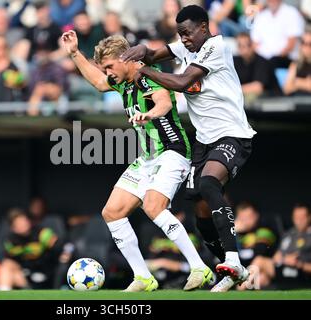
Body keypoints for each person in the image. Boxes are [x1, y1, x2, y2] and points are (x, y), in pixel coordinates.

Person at [61, 30, 213, 292]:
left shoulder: (147, 75)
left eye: (110, 65)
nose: (107, 72)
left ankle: (200, 268)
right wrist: (75, 53)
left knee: (154, 207)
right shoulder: (122, 81)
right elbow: (98, 82)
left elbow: (164, 102)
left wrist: (150, 114)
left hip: (172, 151)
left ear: (125, 59)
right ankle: (143, 277)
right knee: (112, 212)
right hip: (147, 158)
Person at [121, 5, 256, 292]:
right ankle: (232, 271)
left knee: (209, 182)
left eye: (188, 33)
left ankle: (234, 259)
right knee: (201, 213)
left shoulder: (215, 48)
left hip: (232, 134)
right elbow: (157, 53)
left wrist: (142, 68)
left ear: (204, 28)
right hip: (204, 141)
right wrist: (143, 49)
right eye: (180, 34)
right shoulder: (188, 49)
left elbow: (182, 82)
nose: (183, 39)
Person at [0, 208, 61, 290]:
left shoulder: (42, 233)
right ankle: (3, 295)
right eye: (19, 223)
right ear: (14, 228)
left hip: (45, 274)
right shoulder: (11, 241)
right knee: (5, 267)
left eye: (24, 220)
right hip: (25, 276)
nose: (23, 224)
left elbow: (59, 250)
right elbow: (10, 262)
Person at [252, 203, 311, 289]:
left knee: (259, 261)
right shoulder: (289, 234)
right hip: (283, 271)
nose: (299, 221)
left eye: (302, 218)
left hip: (302, 274)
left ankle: (239, 290)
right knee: (261, 278)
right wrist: (284, 259)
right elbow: (276, 257)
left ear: (309, 217)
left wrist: (299, 264)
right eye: (296, 218)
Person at [233, 32, 282, 103]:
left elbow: (257, 88)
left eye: (247, 45)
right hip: (250, 101)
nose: (243, 49)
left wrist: (233, 90)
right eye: (240, 45)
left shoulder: (262, 62)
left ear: (252, 45)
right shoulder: (235, 61)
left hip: (272, 101)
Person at [284, 28, 311, 96]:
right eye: (303, 43)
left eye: (310, 44)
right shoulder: (295, 64)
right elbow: (287, 89)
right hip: (297, 102)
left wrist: (296, 82)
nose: (306, 47)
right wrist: (304, 83)